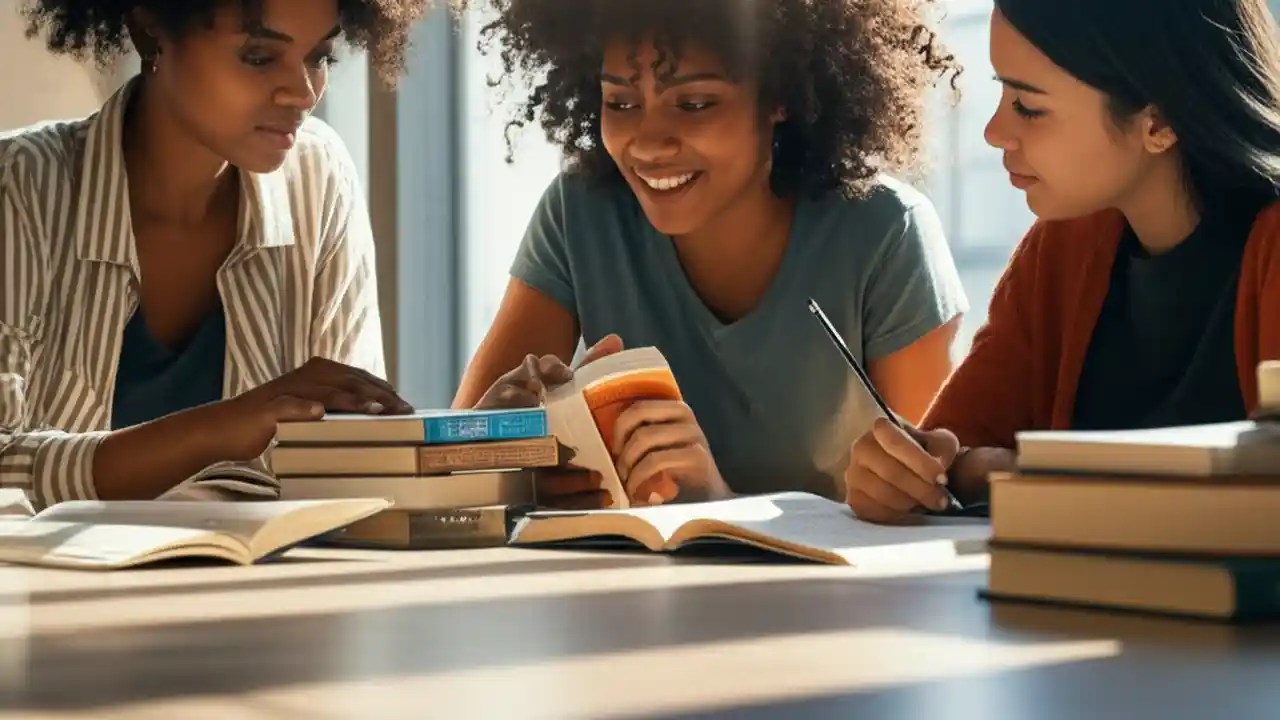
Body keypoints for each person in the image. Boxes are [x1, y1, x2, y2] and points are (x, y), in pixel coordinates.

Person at [454, 0, 968, 508]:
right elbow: (454, 470)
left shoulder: (885, 233)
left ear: (779, 97)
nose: (649, 144)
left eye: (695, 104)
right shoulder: (580, 212)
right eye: (621, 104)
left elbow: (932, 508)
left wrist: (719, 502)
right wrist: (500, 458)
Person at [846, 0, 1280, 523]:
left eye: (1028, 106)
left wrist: (1017, 474)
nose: (993, 131)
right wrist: (904, 475)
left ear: (1160, 122)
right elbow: (950, 449)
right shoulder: (1062, 251)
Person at [0, 0, 430, 510]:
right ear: (150, 28)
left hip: (272, 566)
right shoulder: (20, 185)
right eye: (259, 57)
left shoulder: (319, 181)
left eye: (320, 58)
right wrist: (223, 428)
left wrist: (471, 449)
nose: (303, 93)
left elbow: (349, 467)